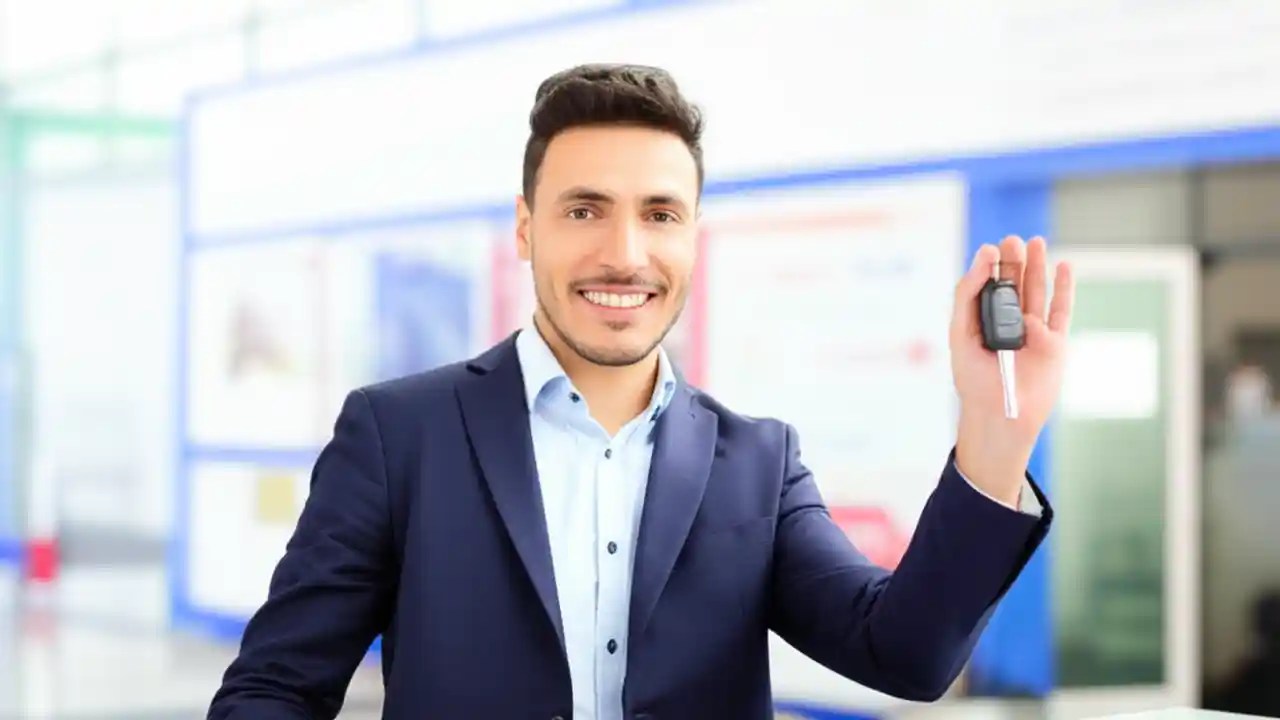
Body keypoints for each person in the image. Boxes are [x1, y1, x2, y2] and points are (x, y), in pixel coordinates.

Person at [208, 63, 1075, 720]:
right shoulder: (402, 435)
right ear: (525, 226)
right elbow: (275, 688)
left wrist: (996, 441)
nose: (625, 253)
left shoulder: (757, 462)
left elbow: (908, 657)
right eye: (584, 209)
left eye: (659, 213)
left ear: (693, 234)